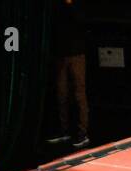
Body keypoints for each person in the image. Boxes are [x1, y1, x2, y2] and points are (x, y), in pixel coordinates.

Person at [48, 0, 90, 148]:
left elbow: (82, 22)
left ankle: (82, 134)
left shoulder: (78, 6)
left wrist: (70, 4)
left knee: (79, 94)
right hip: (60, 54)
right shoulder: (56, 6)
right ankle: (63, 131)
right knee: (61, 93)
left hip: (76, 53)